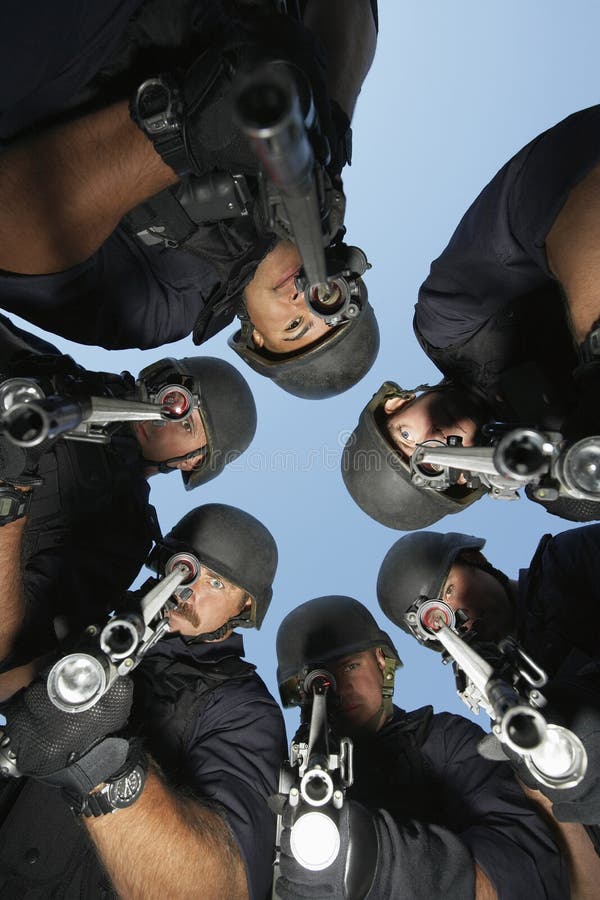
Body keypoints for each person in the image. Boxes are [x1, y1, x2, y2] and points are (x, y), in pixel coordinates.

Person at [0, 0, 380, 398]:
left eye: (295, 326)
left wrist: (183, 138)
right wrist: (330, 110)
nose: (304, 298)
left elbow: (11, 232)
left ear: (256, 337)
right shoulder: (315, 160)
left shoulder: (164, 307)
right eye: (327, 299)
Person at [0, 502, 287, 900]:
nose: (189, 592)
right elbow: (8, 683)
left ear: (245, 607)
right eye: (187, 569)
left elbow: (224, 887)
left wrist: (99, 764)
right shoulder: (98, 624)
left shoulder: (242, 708)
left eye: (217, 584)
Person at [342, 105, 600, 527]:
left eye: (406, 436)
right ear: (465, 480)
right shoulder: (562, 473)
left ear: (396, 404)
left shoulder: (451, 323)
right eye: (431, 466)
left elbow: (552, 180)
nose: (432, 441)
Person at [0, 313, 256, 666]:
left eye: (185, 425)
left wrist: (10, 496)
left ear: (191, 462)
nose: (162, 418)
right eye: (173, 400)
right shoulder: (64, 378)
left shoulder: (122, 536)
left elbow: (9, 642)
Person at [274, 595, 568, 899]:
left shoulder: (443, 742)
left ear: (380, 661)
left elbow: (530, 867)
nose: (340, 689)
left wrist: (382, 865)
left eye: (350, 666)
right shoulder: (293, 780)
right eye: (322, 684)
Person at [376, 526, 600, 893]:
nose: (458, 616)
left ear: (476, 560)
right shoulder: (512, 724)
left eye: (449, 591)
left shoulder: (565, 565)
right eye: (440, 621)